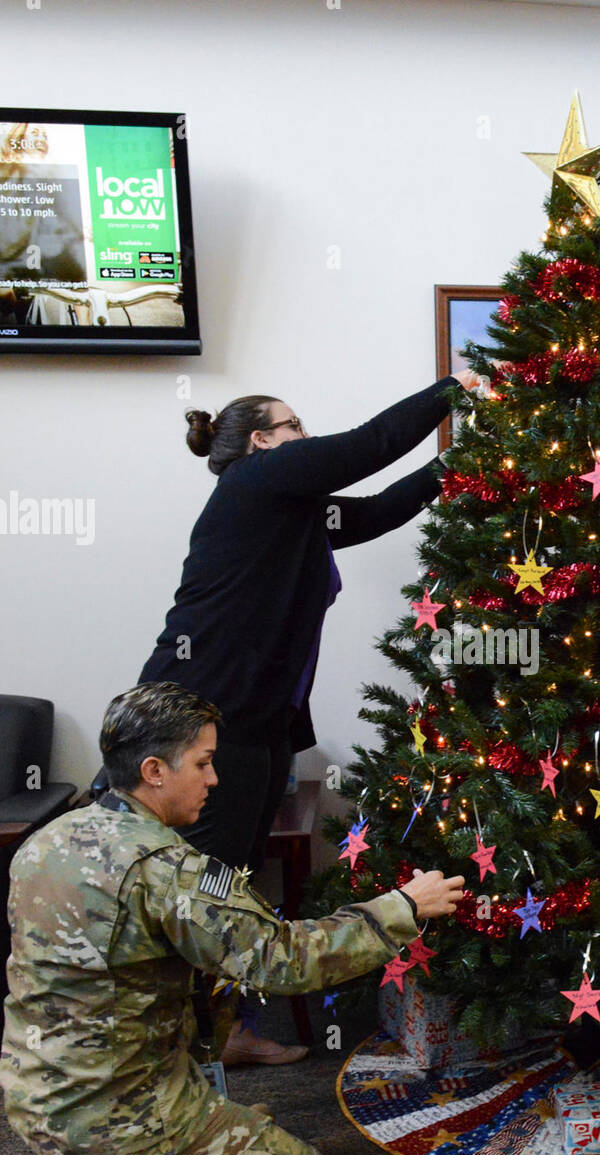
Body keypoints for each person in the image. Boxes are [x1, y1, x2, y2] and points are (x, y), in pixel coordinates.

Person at [0, 683, 466, 1155]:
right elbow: (284, 961)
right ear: (153, 771)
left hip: (34, 1093)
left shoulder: (46, 842)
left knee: (250, 1125)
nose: (213, 779)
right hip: (121, 1114)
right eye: (202, 763)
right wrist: (401, 907)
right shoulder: (167, 872)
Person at [132, 369, 485, 1065]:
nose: (307, 436)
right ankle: (180, 1046)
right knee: (206, 883)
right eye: (293, 426)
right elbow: (368, 446)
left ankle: (223, 1029)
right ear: (263, 441)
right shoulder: (255, 483)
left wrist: (454, 466)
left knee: (229, 878)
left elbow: (377, 510)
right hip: (201, 719)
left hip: (256, 723)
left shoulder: (294, 510)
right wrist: (455, 387)